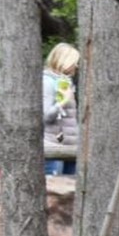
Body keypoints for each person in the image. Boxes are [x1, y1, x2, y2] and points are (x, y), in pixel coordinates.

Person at [41, 42, 81, 176]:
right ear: (61, 61)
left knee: (71, 189)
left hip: (71, 147)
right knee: (54, 190)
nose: (76, 66)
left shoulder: (66, 82)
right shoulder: (47, 81)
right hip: (53, 147)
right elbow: (45, 116)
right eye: (73, 62)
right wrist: (63, 101)